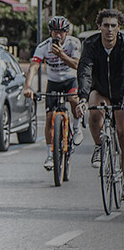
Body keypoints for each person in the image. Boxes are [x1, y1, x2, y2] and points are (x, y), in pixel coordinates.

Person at [23, 16, 83, 170]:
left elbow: (77, 65)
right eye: (55, 32)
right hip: (54, 82)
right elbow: (33, 67)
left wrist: (62, 55)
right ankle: (50, 155)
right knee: (50, 117)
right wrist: (27, 87)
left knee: (73, 99)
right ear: (50, 32)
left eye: (62, 32)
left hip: (70, 80)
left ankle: (76, 128)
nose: (58, 35)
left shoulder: (73, 43)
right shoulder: (44, 46)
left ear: (67, 32)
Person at [74, 8, 124, 169]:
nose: (109, 29)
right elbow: (85, 70)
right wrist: (82, 98)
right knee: (94, 113)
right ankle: (99, 146)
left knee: (122, 135)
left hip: (121, 92)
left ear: (119, 27)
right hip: (100, 90)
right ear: (99, 26)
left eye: (113, 25)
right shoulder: (90, 44)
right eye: (106, 25)